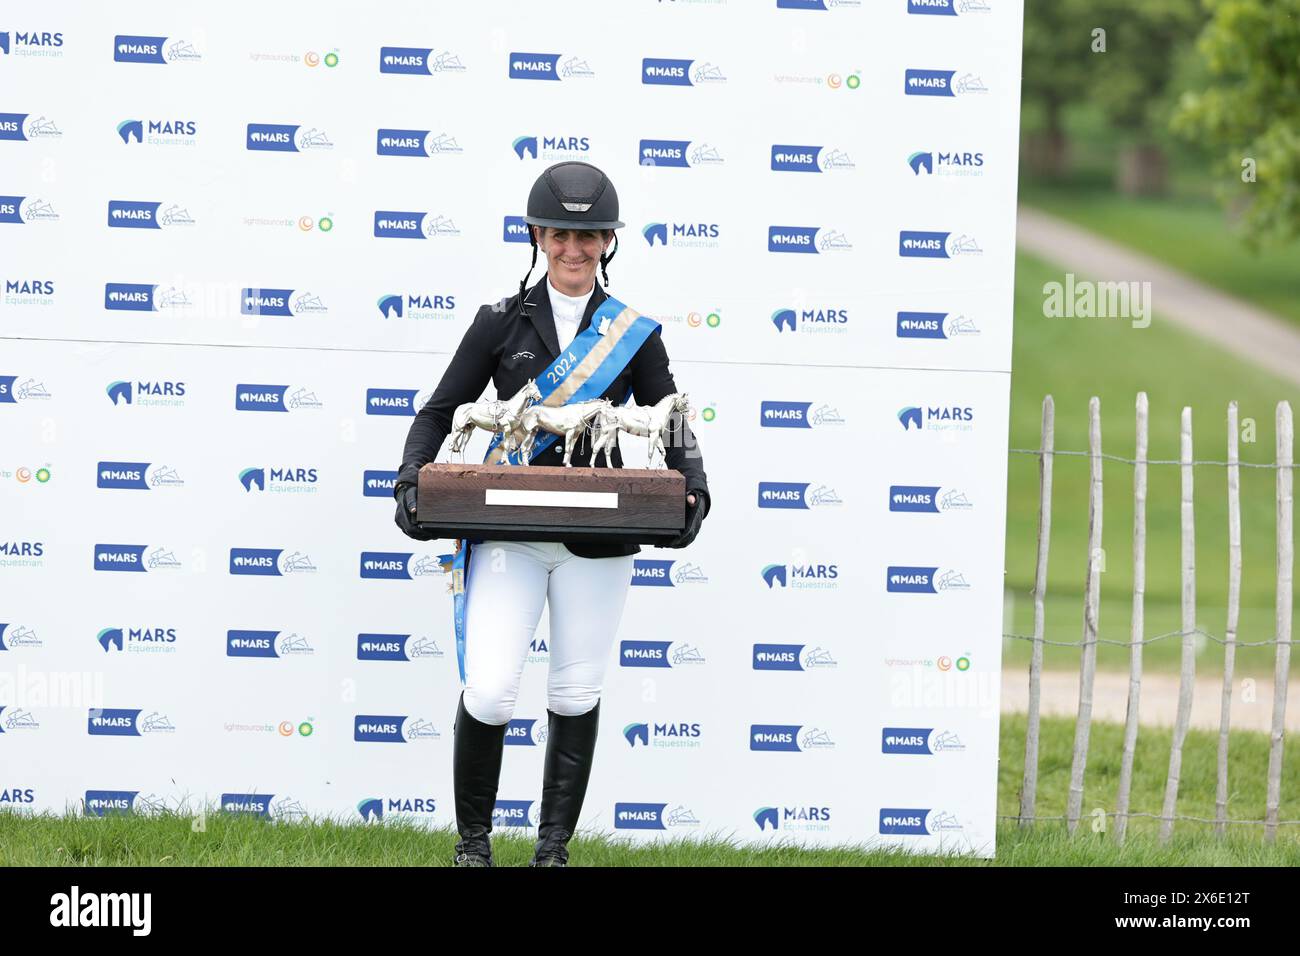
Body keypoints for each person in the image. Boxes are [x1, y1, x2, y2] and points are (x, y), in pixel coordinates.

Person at [392, 161, 711, 867]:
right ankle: (474, 845)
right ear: (538, 235)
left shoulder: (634, 333)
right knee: (494, 688)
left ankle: (552, 850)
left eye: (591, 236)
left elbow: (675, 420)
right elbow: (438, 413)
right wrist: (409, 479)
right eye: (562, 234)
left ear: (609, 243)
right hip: (509, 534)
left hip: (598, 540)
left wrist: (695, 486)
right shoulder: (498, 324)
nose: (575, 249)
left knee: (574, 690)